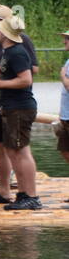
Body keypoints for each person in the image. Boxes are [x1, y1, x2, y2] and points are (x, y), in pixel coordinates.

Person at [0, 4, 40, 203]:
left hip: (18, 106)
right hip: (4, 105)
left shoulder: (18, 49)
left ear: (3, 29)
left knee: (21, 150)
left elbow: (27, 78)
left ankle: (31, 195)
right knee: (9, 149)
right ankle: (19, 193)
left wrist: (0, 82)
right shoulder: (4, 49)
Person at [57, 28, 69, 205]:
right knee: (65, 151)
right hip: (66, 116)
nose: (65, 41)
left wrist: (62, 75)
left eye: (67, 38)